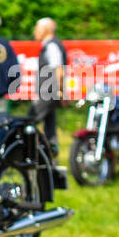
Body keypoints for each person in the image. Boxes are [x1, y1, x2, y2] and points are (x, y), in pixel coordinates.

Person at [33, 17, 66, 154]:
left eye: (37, 28)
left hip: (48, 92)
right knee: (50, 128)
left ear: (45, 30)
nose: (34, 32)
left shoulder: (51, 46)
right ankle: (51, 155)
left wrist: (60, 91)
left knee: (29, 121)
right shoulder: (51, 45)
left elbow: (58, 70)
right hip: (50, 92)